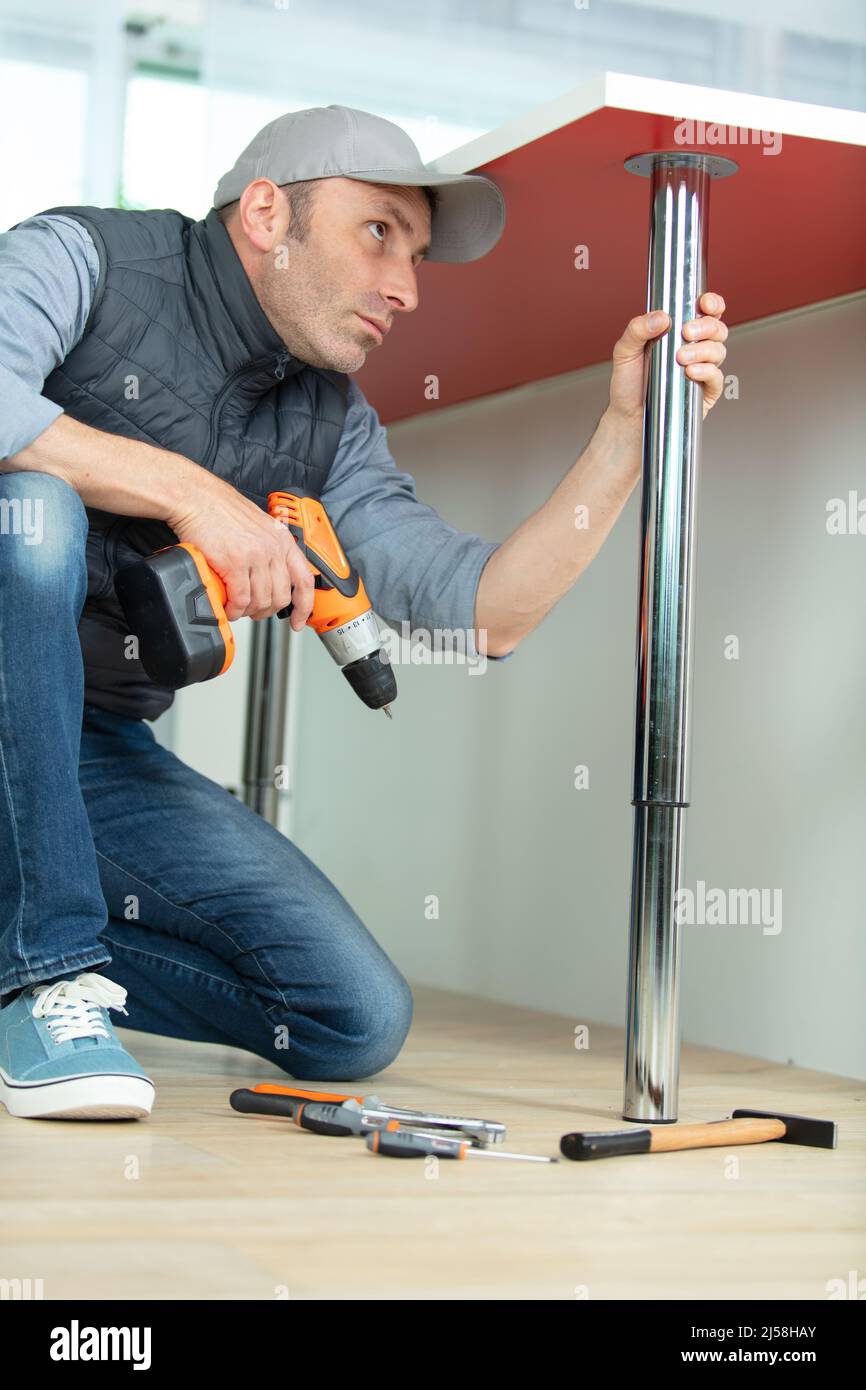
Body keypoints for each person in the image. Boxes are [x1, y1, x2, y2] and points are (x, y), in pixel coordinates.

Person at [0, 105, 728, 1121]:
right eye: (377, 232)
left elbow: (484, 613)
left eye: (417, 253)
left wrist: (625, 434)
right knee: (24, 515)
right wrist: (192, 492)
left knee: (348, 1014)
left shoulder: (330, 423)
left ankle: (34, 940)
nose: (405, 287)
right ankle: (46, 979)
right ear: (266, 213)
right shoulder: (80, 257)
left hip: (86, 747)